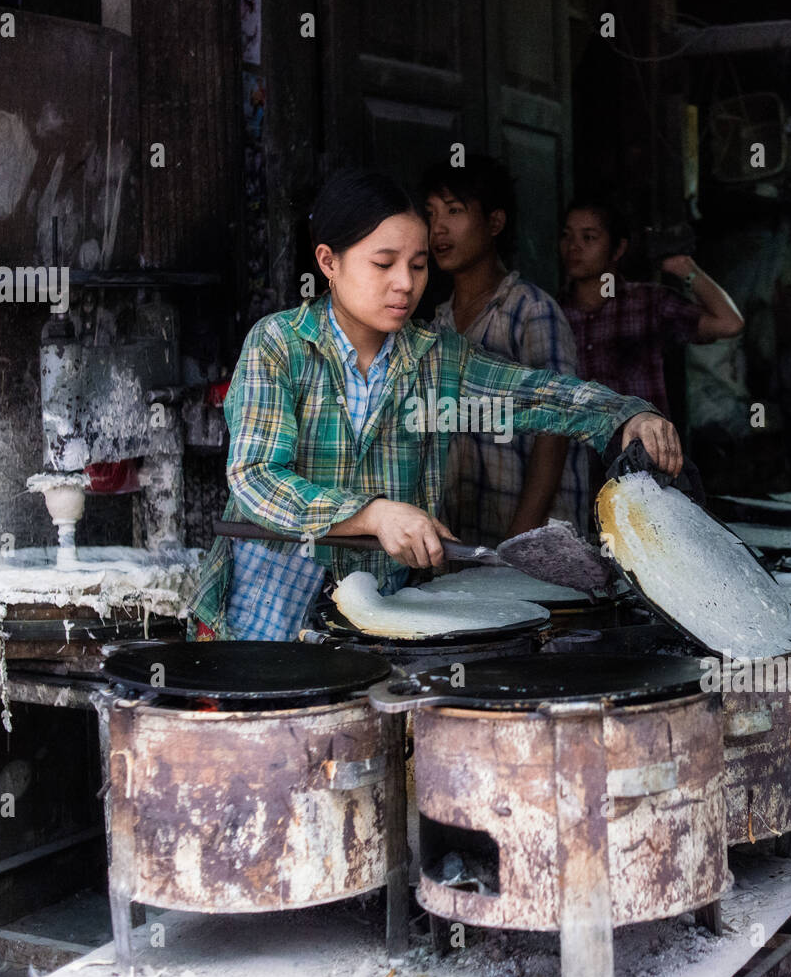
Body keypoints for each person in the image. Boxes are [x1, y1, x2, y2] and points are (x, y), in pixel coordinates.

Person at [190, 170, 683, 641]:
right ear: (328, 262)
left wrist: (625, 414)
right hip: (271, 597)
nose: (405, 282)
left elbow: (536, 393)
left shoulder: (436, 357)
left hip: (382, 609)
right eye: (384, 264)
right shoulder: (279, 344)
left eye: (418, 264)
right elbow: (256, 476)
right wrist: (374, 516)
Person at [422, 156, 590, 545]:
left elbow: (556, 428)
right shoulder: (439, 324)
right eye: (430, 214)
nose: (438, 228)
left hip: (533, 547)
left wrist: (520, 541)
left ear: (494, 223)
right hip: (469, 544)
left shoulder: (531, 310)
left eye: (455, 211)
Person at [558, 199, 746, 419]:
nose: (573, 246)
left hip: (638, 450)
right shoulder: (552, 313)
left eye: (588, 237)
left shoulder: (647, 303)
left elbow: (730, 323)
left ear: (618, 248)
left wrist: (685, 267)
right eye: (566, 235)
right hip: (578, 451)